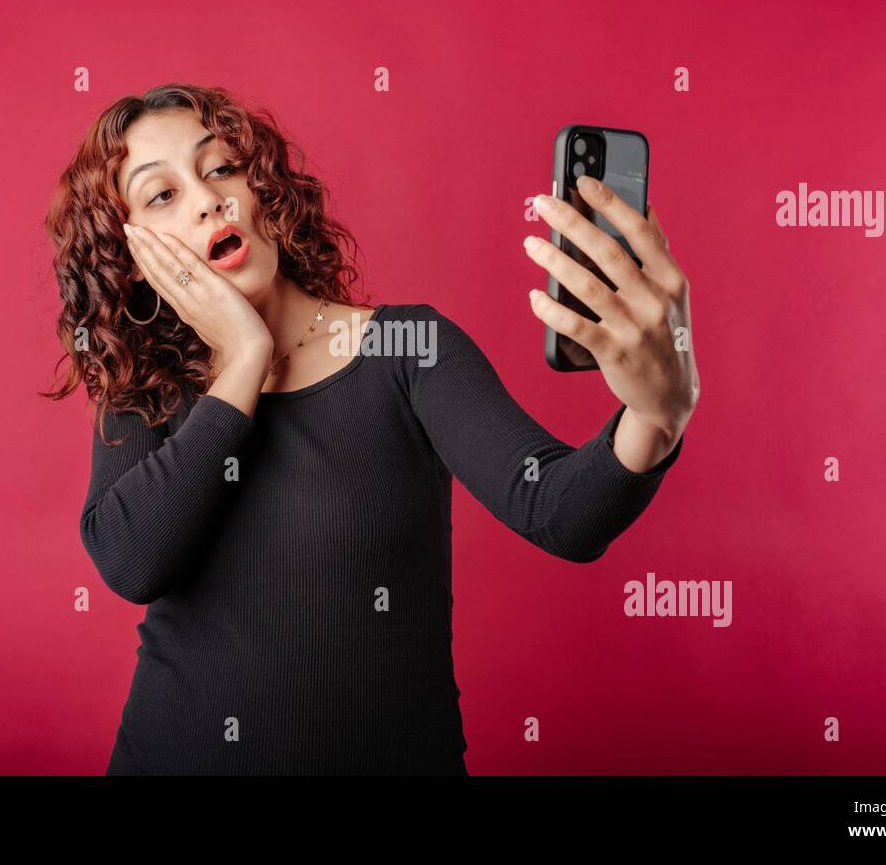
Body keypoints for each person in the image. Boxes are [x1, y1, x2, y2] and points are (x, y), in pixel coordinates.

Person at [42, 83, 700, 774]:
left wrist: (658, 414)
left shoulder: (408, 349)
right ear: (134, 253)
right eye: (162, 195)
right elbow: (130, 561)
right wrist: (242, 363)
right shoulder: (146, 387)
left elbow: (561, 512)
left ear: (262, 185)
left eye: (221, 167)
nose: (208, 199)